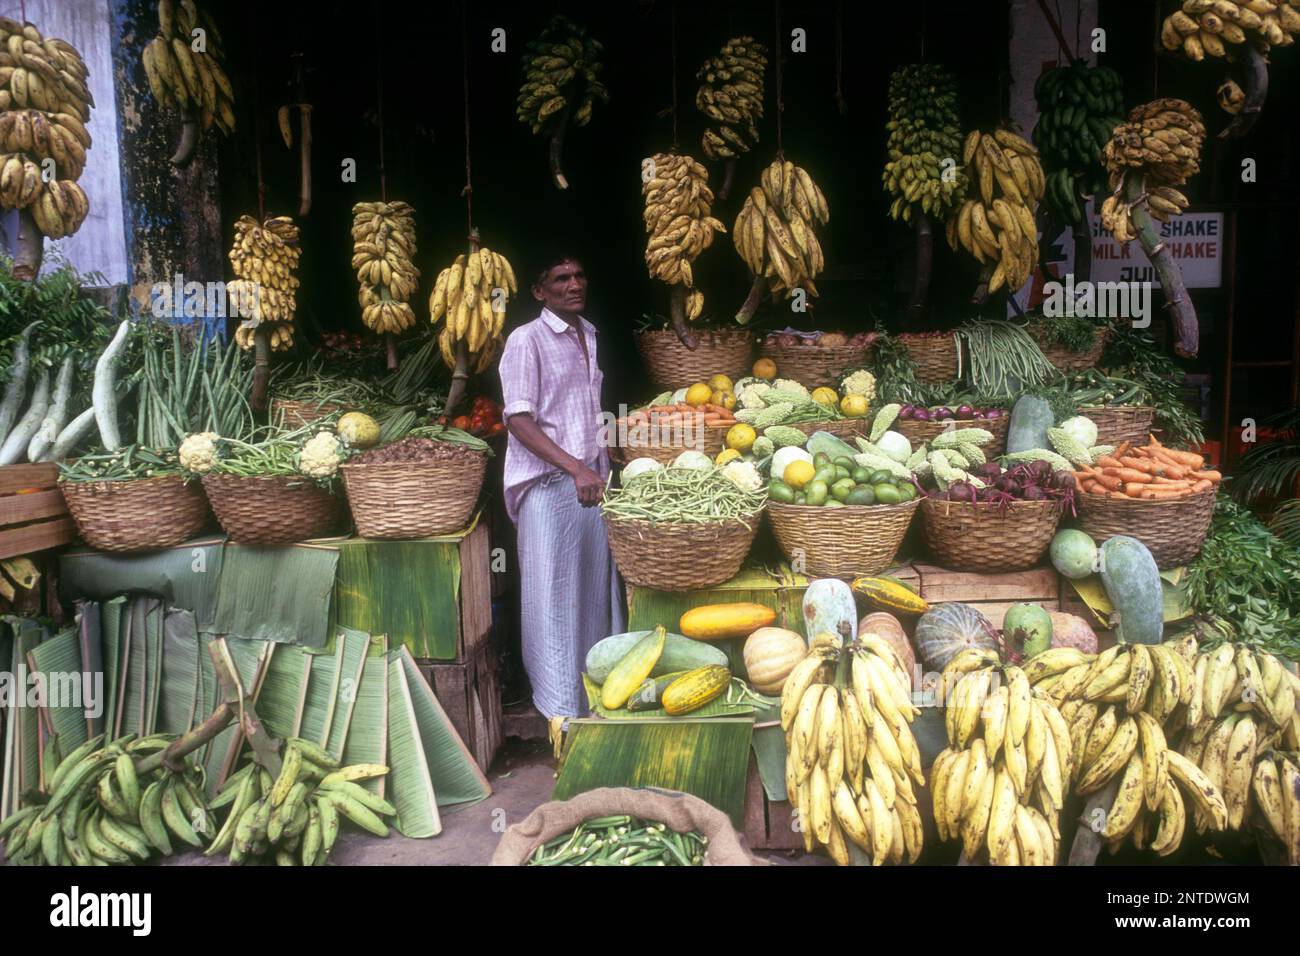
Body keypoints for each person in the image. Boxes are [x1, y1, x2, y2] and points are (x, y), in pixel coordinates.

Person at [498, 255, 625, 719]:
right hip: (551, 488)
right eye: (561, 278)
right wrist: (576, 468)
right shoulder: (525, 340)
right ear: (539, 291)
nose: (574, 284)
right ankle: (559, 715)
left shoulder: (588, 334)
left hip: (591, 484)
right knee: (552, 600)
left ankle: (596, 705)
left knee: (593, 594)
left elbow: (583, 408)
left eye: (579, 275)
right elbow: (517, 418)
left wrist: (603, 453)